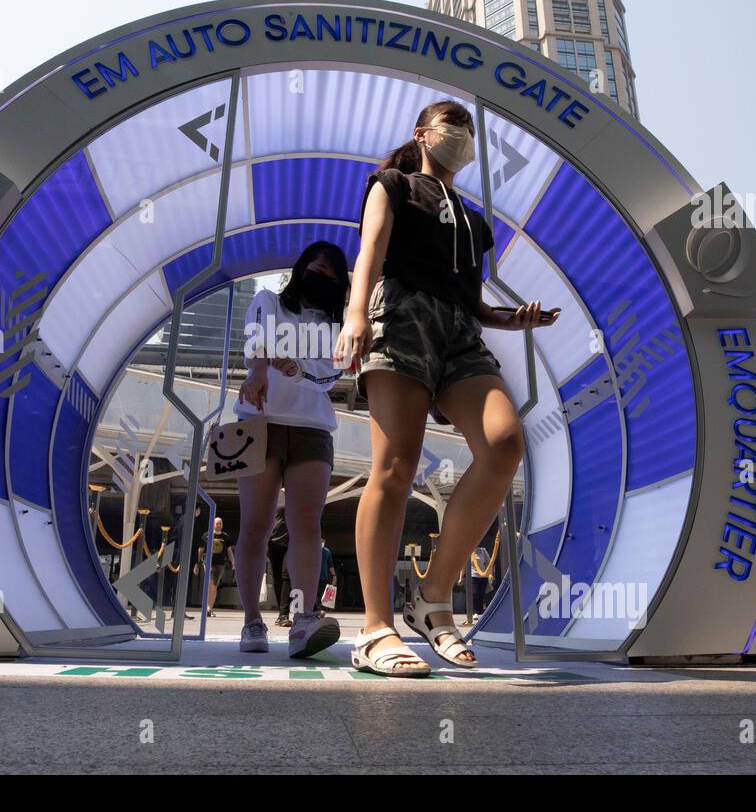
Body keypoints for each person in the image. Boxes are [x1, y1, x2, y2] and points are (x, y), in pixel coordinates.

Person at [336, 99, 560, 677]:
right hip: (400, 315)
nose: (461, 137)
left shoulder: (475, 221)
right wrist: (355, 314)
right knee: (396, 464)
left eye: (468, 130)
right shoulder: (392, 184)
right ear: (423, 135)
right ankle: (375, 628)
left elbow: (472, 302)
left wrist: (513, 319)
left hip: (458, 332)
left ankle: (432, 598)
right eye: (451, 127)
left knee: (504, 442)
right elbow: (372, 252)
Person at [233, 241, 348, 658]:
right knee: (255, 524)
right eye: (315, 265)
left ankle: (303, 619)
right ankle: (251, 621)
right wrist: (262, 366)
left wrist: (294, 367)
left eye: (331, 270)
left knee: (306, 523)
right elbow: (257, 339)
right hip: (258, 422)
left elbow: (330, 376)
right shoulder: (267, 301)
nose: (321, 272)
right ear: (299, 268)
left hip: (311, 427)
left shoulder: (337, 324)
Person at [194, 516, 235, 617]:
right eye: (217, 523)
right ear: (213, 524)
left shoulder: (225, 536)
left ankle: (210, 608)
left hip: (220, 563)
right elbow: (200, 550)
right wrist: (197, 563)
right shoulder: (206, 535)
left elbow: (229, 550)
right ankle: (208, 608)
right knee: (210, 583)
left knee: (214, 585)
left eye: (220, 523)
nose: (219, 525)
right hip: (208, 562)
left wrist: (232, 562)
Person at [317, 539, 336, 611]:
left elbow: (330, 564)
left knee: (322, 593)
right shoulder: (313, 550)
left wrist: (334, 575)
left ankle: (321, 608)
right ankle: (318, 609)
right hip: (315, 577)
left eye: (323, 543)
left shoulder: (327, 551)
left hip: (323, 577)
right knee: (317, 593)